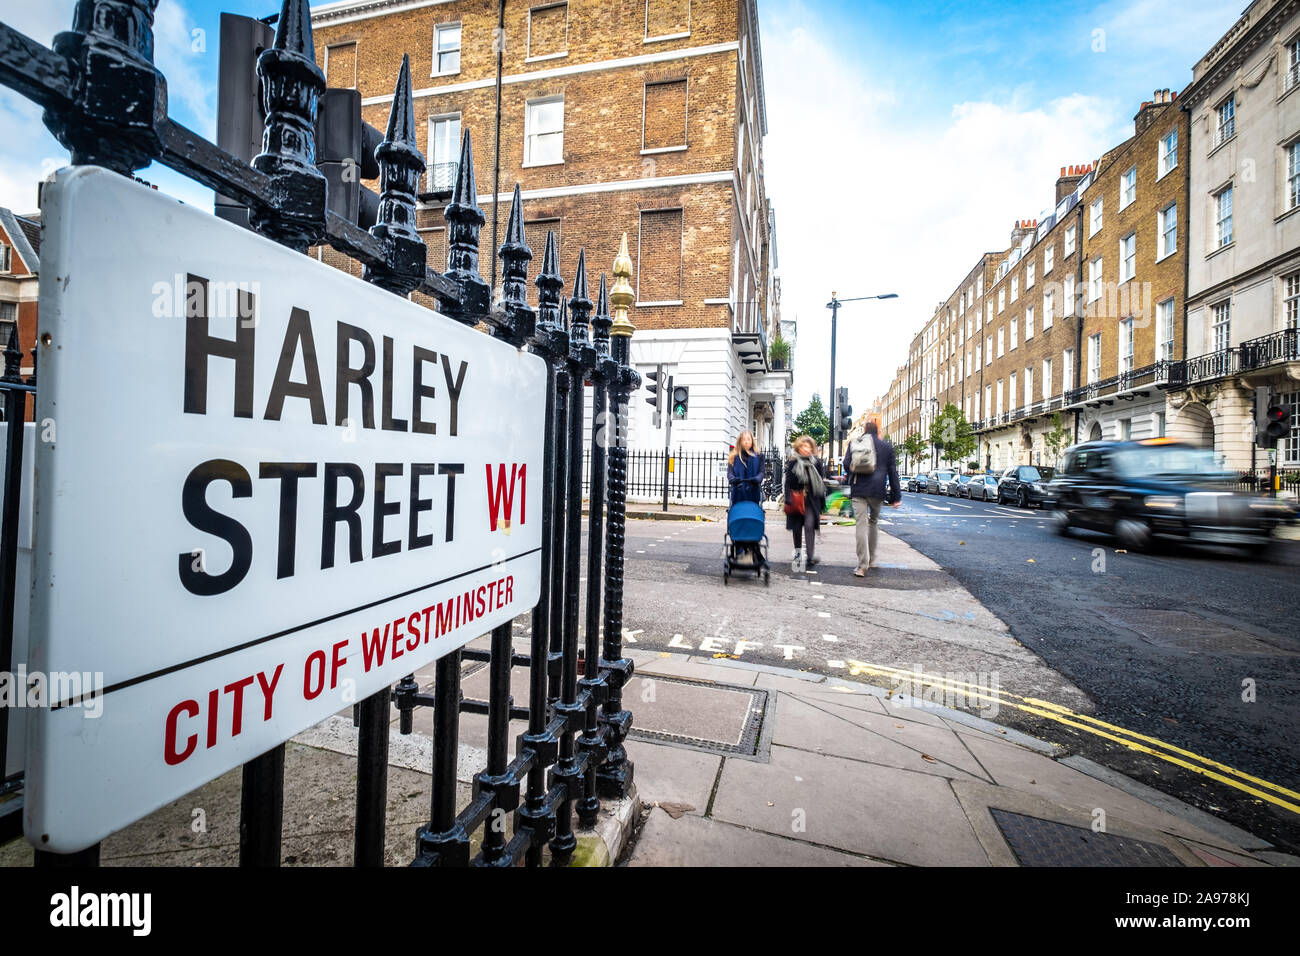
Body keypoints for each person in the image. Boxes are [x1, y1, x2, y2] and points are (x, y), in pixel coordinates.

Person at [842, 421, 901, 576]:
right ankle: (872, 559)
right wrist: (896, 496)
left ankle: (862, 565)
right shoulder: (886, 447)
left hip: (859, 488)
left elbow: (846, 464)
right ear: (878, 431)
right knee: (873, 523)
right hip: (877, 490)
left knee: (861, 524)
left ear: (865, 431)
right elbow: (893, 472)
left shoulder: (855, 443)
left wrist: (855, 469)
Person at [784, 435, 827, 569]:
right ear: (799, 448)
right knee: (797, 529)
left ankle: (809, 557)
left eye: (808, 447)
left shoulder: (817, 463)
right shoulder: (793, 462)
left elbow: (821, 484)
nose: (806, 449)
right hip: (796, 500)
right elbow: (788, 483)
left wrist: (822, 506)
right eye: (803, 446)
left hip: (811, 500)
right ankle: (797, 555)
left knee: (809, 526)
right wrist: (788, 499)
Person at [727, 431, 765, 564]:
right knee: (738, 518)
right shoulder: (733, 457)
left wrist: (757, 479)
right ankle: (739, 549)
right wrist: (734, 480)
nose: (747, 441)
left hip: (753, 492)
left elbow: (761, 473)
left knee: (752, 517)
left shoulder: (759, 456)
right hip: (738, 492)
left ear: (752, 441)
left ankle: (753, 547)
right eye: (744, 439)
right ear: (740, 442)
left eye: (749, 439)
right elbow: (730, 475)